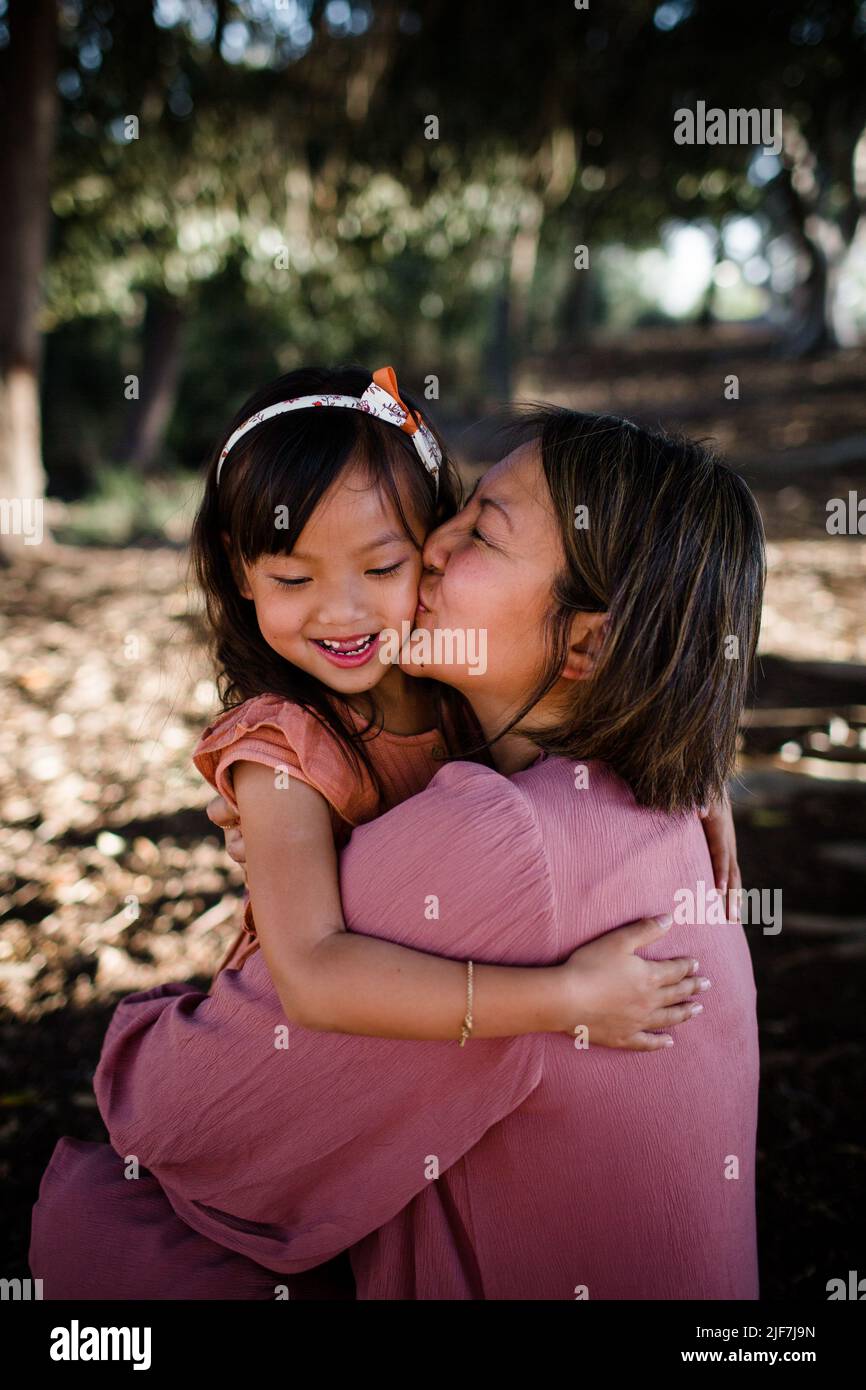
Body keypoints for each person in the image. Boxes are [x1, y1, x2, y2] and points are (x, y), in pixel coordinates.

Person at [30, 388, 763, 1300]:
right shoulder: (633, 794)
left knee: (98, 1227)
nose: (434, 552)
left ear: (584, 645)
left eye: (479, 535)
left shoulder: (504, 834)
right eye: (455, 515)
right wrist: (701, 762)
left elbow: (182, 1120)